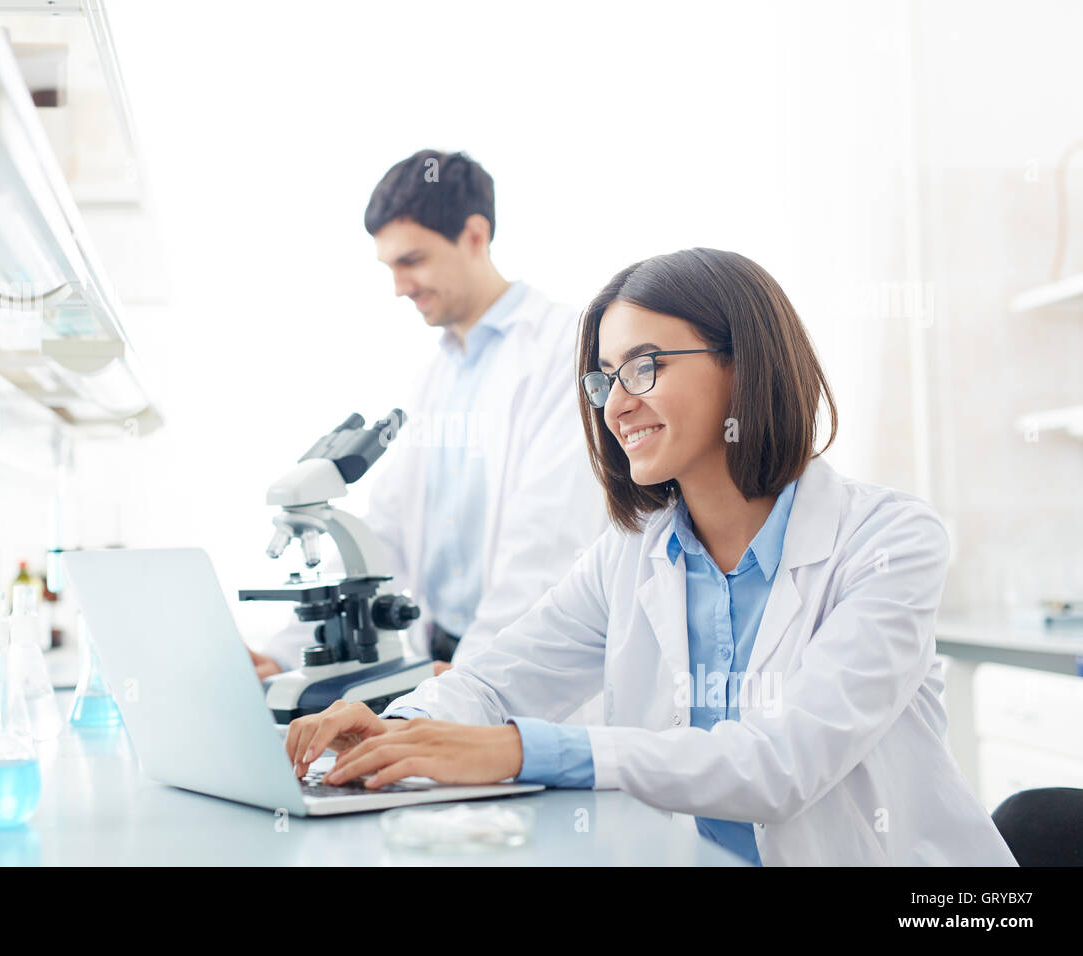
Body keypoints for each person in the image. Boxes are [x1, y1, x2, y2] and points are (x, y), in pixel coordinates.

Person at [282, 247, 1018, 867]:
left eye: (647, 365)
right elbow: (497, 682)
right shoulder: (629, 556)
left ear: (744, 363)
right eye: (605, 377)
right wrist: (400, 727)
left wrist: (513, 752)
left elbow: (780, 764)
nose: (616, 403)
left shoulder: (888, 542)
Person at [248, 150, 606, 683]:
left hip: (515, 665)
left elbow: (546, 545)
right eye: (389, 267)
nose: (398, 286)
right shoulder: (434, 378)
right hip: (440, 659)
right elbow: (386, 537)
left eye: (411, 260)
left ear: (475, 237)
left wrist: (468, 686)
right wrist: (286, 653)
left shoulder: (565, 349)